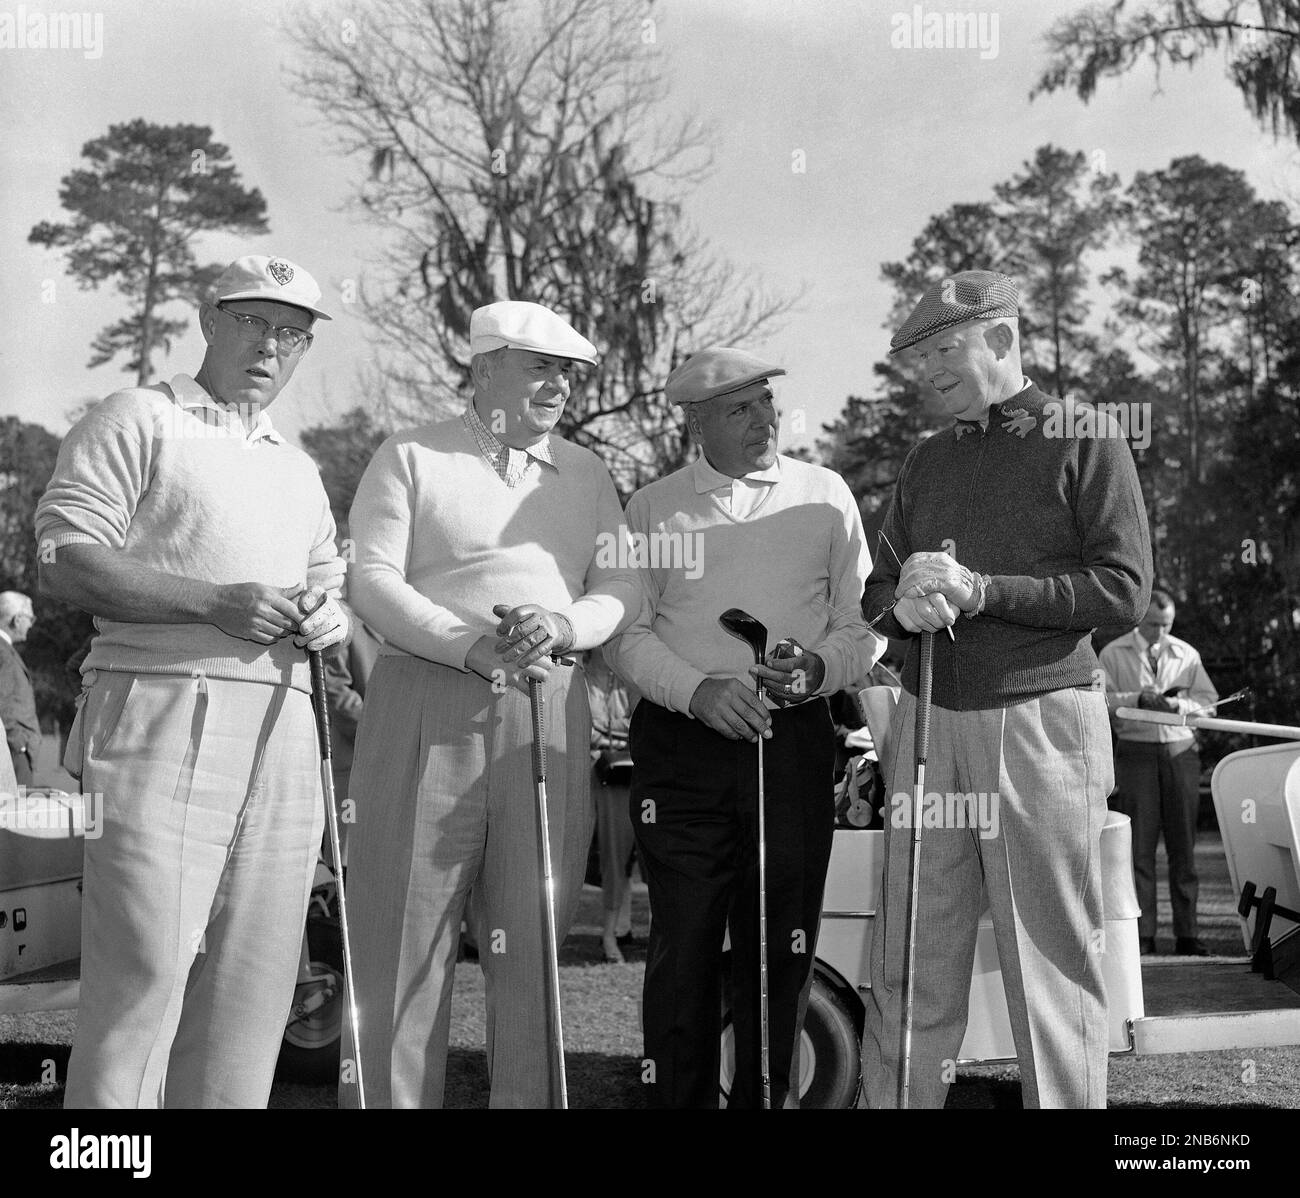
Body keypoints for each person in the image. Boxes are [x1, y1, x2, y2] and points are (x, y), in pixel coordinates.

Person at [35, 254, 349, 1108]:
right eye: (252, 321)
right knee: (144, 978)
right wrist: (213, 601)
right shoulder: (137, 415)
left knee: (252, 993)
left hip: (285, 725)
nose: (270, 346)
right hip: (161, 702)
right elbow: (67, 557)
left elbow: (332, 585)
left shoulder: (299, 467)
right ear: (208, 321)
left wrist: (331, 618)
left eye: (292, 334)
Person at [859, 270, 1153, 1110]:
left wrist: (988, 590)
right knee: (910, 955)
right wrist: (901, 602)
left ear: (1001, 338)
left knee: (1046, 958)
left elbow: (1124, 588)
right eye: (918, 359)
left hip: (1040, 718)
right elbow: (874, 590)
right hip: (924, 724)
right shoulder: (925, 459)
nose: (929, 372)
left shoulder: (1085, 435)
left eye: (943, 350)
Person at [344, 299, 640, 1108]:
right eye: (539, 367)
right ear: (484, 370)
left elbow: (624, 586)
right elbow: (370, 579)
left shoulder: (586, 473)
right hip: (425, 702)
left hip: (550, 710)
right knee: (400, 945)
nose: (559, 386)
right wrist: (466, 644)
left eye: (568, 373)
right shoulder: (409, 455)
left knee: (535, 945)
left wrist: (566, 622)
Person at [609, 346, 883, 1109]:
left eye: (766, 402)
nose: (766, 419)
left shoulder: (826, 495)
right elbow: (624, 635)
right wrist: (696, 692)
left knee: (781, 951)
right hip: (679, 746)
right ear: (695, 422)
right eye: (740, 408)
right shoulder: (651, 509)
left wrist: (820, 671)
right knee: (683, 951)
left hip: (792, 742)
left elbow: (864, 626)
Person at [1099, 590, 1217, 956]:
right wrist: (1136, 699)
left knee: (1184, 848)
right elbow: (1097, 698)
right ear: (1138, 619)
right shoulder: (1112, 653)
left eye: (1166, 625)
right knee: (1140, 849)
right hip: (1136, 754)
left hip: (1180, 752)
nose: (1160, 633)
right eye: (1153, 625)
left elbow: (1210, 704)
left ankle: (1188, 935)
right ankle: (1143, 934)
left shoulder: (1187, 654)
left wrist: (1176, 703)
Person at [585, 646, 640, 963]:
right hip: (580, 774)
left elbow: (639, 725)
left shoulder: (628, 679)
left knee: (616, 860)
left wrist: (602, 728)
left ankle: (611, 935)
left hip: (618, 779)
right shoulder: (577, 678)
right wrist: (614, 726)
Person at [0, 592, 40, 785]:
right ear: (17, 619)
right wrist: (18, 744)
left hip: (13, 750)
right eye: (30, 618)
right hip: (13, 752)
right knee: (16, 813)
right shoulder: (3, 653)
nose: (31, 624)